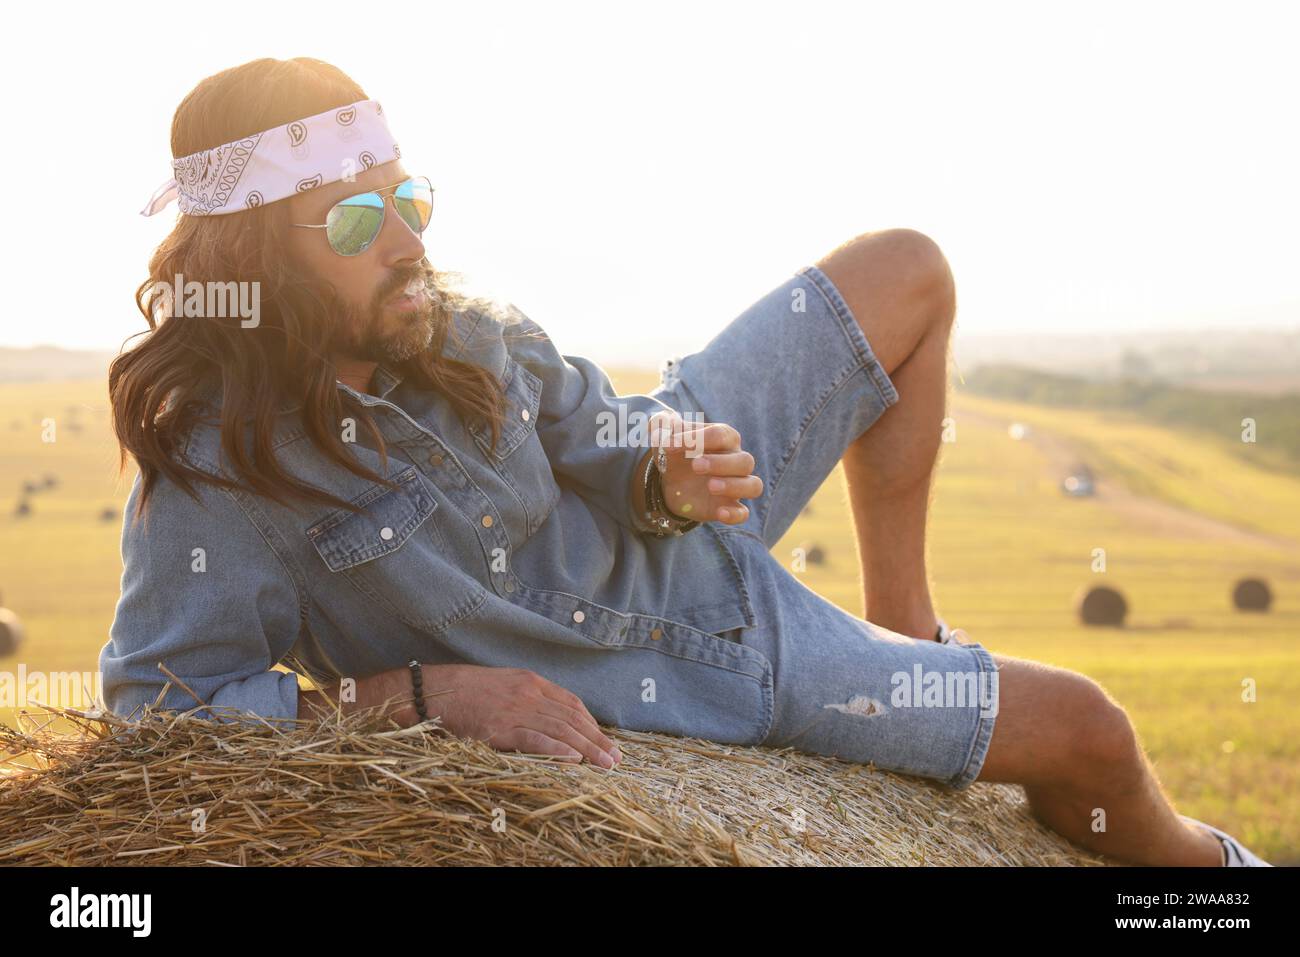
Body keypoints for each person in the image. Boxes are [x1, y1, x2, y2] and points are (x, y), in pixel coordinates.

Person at [103, 56, 1268, 867]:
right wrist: (416, 697)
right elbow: (159, 710)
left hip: (667, 514)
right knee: (1091, 735)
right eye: (354, 222)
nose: (409, 240)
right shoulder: (219, 479)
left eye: (405, 195)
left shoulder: (454, 326)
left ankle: (905, 615)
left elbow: (589, 426)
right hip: (701, 650)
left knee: (906, 265)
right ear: (250, 257)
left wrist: (663, 467)